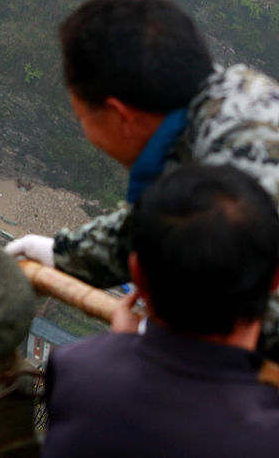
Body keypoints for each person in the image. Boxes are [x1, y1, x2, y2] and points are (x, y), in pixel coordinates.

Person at [5, 0, 279, 356]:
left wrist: (163, 344)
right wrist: (65, 255)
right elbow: (171, 226)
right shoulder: (222, 103)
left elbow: (245, 307)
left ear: (121, 117)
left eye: (82, 115)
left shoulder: (247, 164)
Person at [42, 164, 279, 457]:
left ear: (137, 273)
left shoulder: (76, 369)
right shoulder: (267, 433)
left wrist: (124, 349)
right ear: (275, 278)